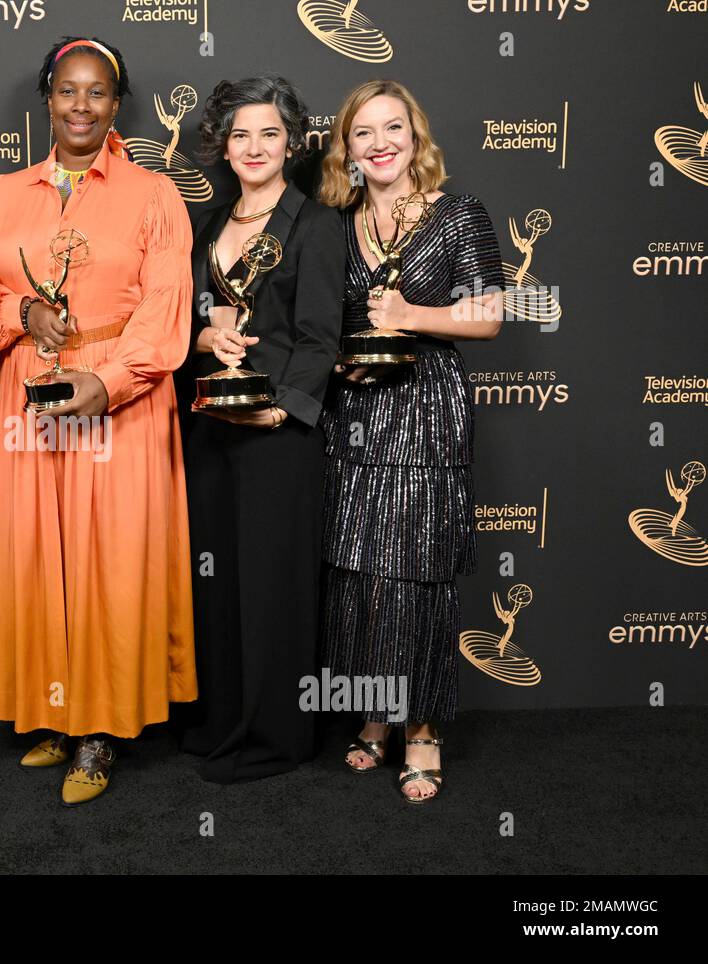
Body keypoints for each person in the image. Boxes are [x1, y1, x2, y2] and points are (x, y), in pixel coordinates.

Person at [0, 36, 197, 806]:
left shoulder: (154, 194)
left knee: (110, 561)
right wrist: (18, 310)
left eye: (97, 93)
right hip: (28, 394)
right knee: (39, 555)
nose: (81, 106)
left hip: (119, 403)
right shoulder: (1, 194)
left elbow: (166, 312)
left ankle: (100, 731)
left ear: (117, 104)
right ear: (47, 97)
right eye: (68, 91)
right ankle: (54, 715)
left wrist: (110, 380)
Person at [318, 79, 503, 804]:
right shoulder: (337, 224)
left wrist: (410, 313)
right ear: (347, 149)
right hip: (354, 413)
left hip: (426, 410)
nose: (380, 142)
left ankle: (422, 729)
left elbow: (489, 316)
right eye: (363, 132)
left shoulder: (459, 214)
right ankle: (374, 715)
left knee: (418, 571)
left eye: (393, 127)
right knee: (358, 570)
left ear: (416, 138)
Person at [176, 76, 344, 783]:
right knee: (217, 582)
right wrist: (205, 341)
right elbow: (190, 326)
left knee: (274, 585)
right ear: (222, 144)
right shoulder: (210, 226)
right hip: (214, 426)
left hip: (279, 432)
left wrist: (285, 407)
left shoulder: (315, 224)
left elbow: (318, 337)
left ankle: (276, 735)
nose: (253, 147)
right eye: (240, 134)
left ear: (292, 142)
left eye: (269, 133)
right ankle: (223, 722)